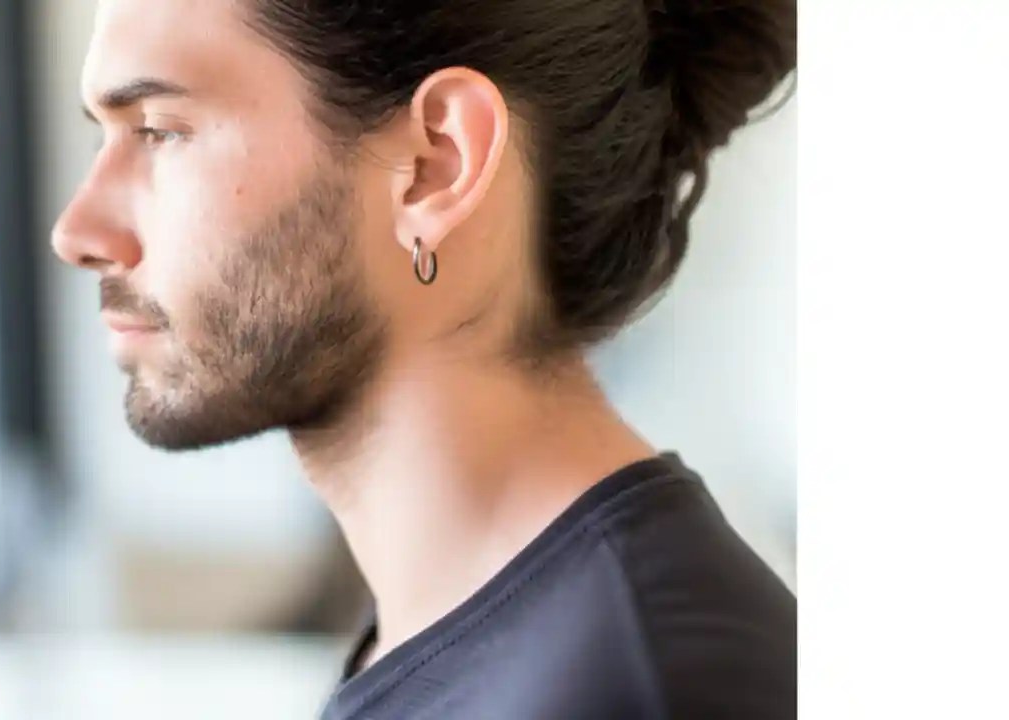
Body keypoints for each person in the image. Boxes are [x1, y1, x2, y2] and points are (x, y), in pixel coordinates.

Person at [51, 0, 797, 717]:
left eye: (160, 131)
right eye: (102, 139)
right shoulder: (451, 634)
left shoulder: (652, 690)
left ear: (435, 165)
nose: (76, 232)